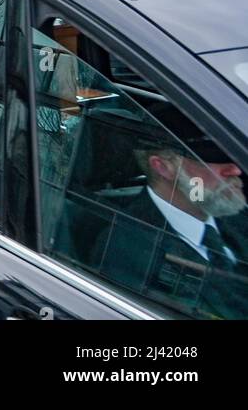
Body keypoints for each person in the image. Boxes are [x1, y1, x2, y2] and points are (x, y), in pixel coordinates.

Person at [90, 115, 248, 318]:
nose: (235, 169)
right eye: (213, 158)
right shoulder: (125, 249)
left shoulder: (233, 211)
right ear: (163, 167)